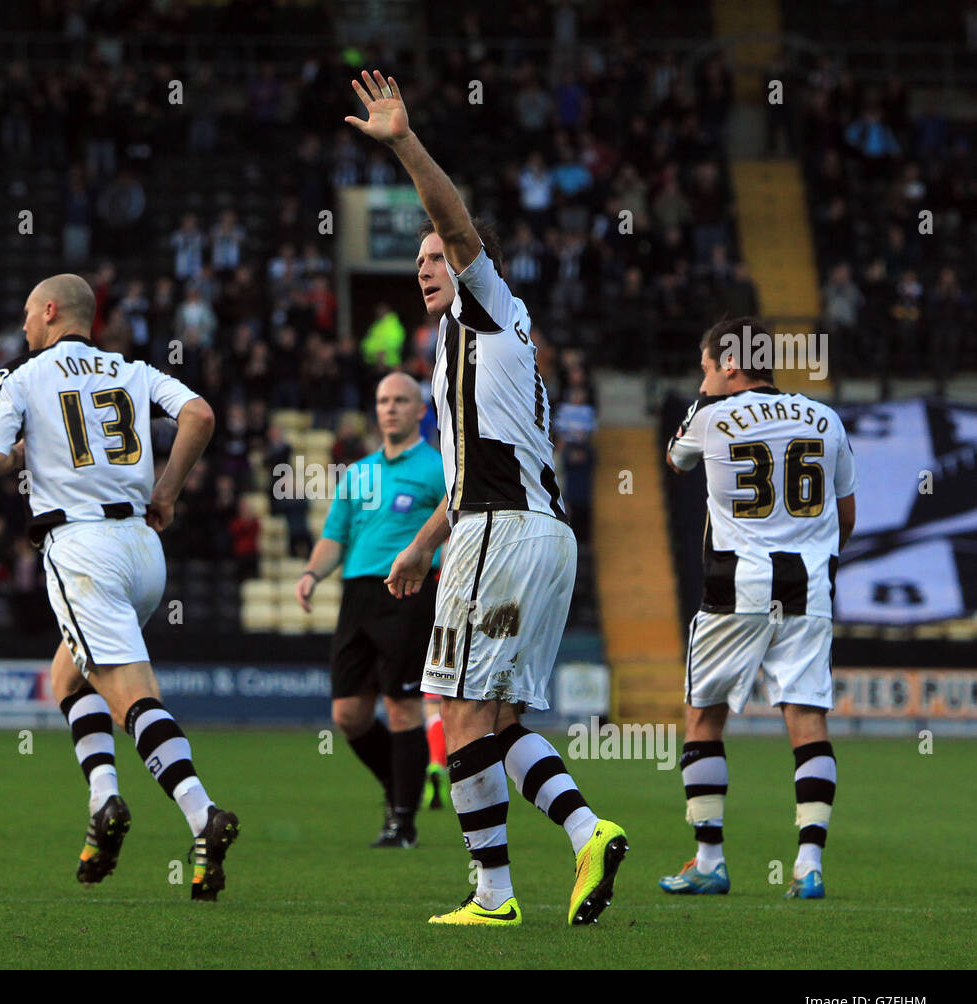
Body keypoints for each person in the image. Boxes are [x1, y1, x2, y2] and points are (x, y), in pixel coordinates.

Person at [348, 70, 628, 927]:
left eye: (440, 255)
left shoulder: (489, 306)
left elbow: (456, 217)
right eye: (424, 258)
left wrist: (401, 140)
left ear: (471, 264)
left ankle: (495, 895)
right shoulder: (468, 351)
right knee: (496, 714)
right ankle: (587, 832)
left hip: (503, 536)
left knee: (457, 707)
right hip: (529, 531)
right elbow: (473, 467)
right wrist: (424, 539)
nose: (429, 263)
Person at [0, 273, 239, 900]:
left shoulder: (24, 376)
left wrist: (22, 455)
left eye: (28, 315)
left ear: (50, 311)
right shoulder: (132, 369)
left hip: (81, 550)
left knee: (132, 700)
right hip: (144, 551)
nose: (24, 326)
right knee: (66, 678)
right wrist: (166, 491)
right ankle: (104, 802)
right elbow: (200, 414)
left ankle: (203, 814)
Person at [661, 316, 856, 900]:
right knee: (807, 720)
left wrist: (704, 398)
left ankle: (710, 860)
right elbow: (846, 519)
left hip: (734, 589)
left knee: (704, 717)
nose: (702, 376)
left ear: (727, 364)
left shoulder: (711, 417)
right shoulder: (827, 418)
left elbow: (677, 459)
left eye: (705, 365)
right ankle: (809, 866)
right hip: (809, 590)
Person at [296, 372, 448, 848]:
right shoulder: (358, 472)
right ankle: (400, 785)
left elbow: (456, 523)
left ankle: (403, 821)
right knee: (348, 715)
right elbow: (334, 537)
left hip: (408, 592)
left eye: (401, 400)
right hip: (357, 595)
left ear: (421, 410)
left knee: (402, 707)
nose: (391, 408)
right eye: (383, 400)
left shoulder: (439, 468)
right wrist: (310, 574)